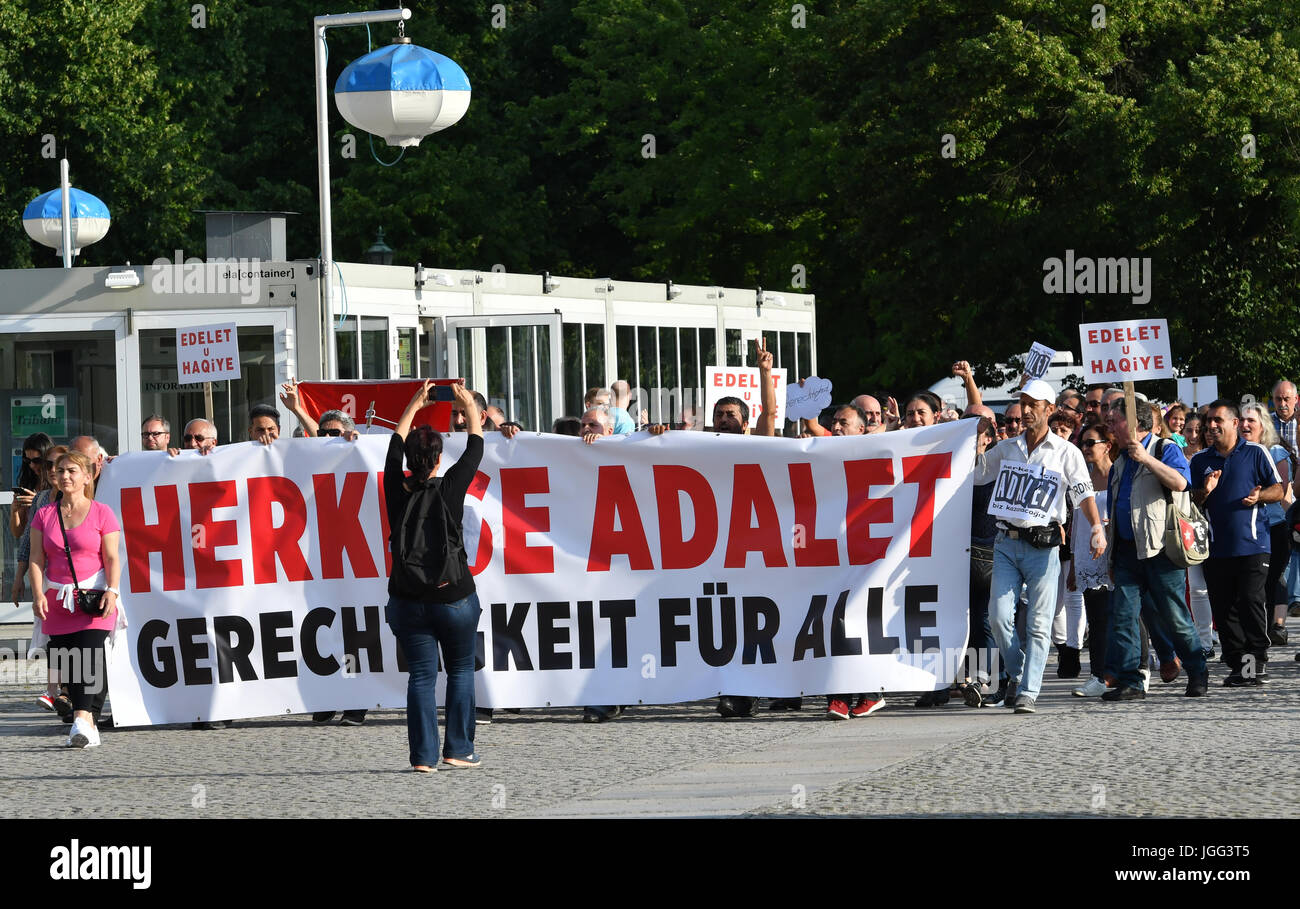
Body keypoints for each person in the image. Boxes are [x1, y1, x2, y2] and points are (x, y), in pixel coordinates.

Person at [974, 379, 1106, 714]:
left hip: (1044, 546)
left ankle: (1027, 692)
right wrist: (978, 440)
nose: (1028, 410)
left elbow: (1082, 495)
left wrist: (1096, 528)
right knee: (999, 616)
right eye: (1024, 402)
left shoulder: (1066, 452)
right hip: (1005, 542)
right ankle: (1018, 672)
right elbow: (976, 475)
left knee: (1038, 622)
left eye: (1035, 404)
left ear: (1049, 410)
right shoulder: (1006, 448)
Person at [384, 380, 484, 771]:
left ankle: (423, 758)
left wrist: (414, 403)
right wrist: (467, 405)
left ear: (410, 459)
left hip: (408, 600)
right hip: (454, 595)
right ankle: (458, 749)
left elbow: (394, 443)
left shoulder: (396, 488)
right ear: (440, 459)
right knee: (460, 671)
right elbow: (476, 446)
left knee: (422, 678)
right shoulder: (450, 489)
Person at [1100, 393, 1208, 701]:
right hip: (1125, 551)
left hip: (1161, 549)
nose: (1110, 423)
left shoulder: (1165, 448)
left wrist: (1146, 459)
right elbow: (1114, 504)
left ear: (1135, 423)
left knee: (1174, 616)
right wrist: (1111, 553)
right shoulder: (1119, 459)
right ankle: (1131, 680)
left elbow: (1180, 482)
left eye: (1116, 419)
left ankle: (1197, 669)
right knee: (1123, 617)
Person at [28, 451, 122, 748]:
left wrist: (113, 590)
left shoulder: (102, 512)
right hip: (58, 599)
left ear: (87, 476)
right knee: (69, 663)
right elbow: (35, 559)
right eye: (60, 471)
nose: (65, 476)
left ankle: (81, 719)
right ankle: (89, 725)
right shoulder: (44, 514)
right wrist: (37, 593)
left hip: (95, 598)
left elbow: (111, 557)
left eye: (72, 470)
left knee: (89, 655)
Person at [1190, 400, 1285, 686]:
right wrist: (1204, 492)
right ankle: (1239, 666)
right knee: (1224, 608)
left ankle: (1256, 661)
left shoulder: (1255, 452)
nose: (1212, 426)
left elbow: (1280, 489)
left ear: (1234, 423)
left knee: (1250, 601)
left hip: (1253, 545)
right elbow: (1191, 503)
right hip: (1216, 547)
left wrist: (1259, 497)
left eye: (1218, 420)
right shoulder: (1199, 460)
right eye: (1209, 421)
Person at [1239, 402, 1293, 646]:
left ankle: (1270, 629)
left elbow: (1282, 492)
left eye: (1251, 420)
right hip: (1245, 528)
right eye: (1242, 420)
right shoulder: (1235, 452)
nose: (1245, 424)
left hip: (1274, 526)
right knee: (1251, 584)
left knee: (1271, 580)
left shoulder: (1276, 452)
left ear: (1263, 425)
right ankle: (1253, 631)